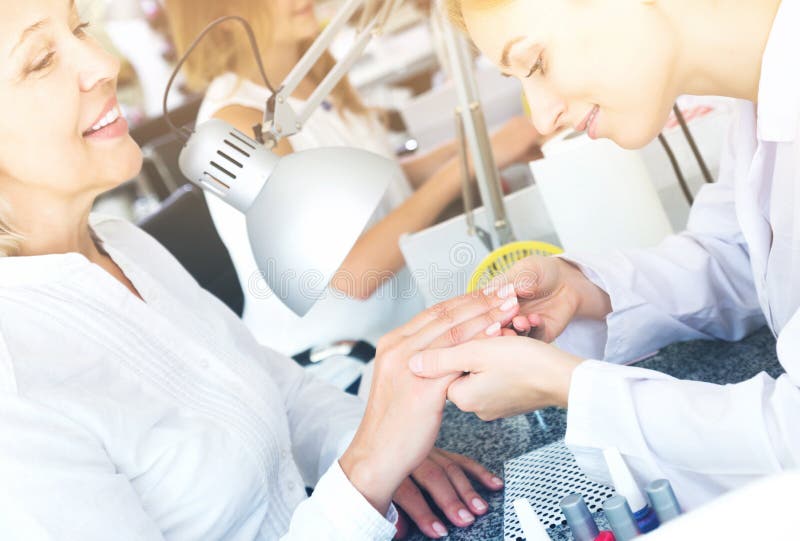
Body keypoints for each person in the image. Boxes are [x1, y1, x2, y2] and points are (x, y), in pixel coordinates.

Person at [0, 1, 523, 539]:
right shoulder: (13, 394)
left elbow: (280, 389)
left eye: (81, 27)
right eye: (41, 60)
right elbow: (348, 271)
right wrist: (364, 471)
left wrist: (370, 446)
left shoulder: (123, 245)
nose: (104, 63)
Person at [409, 0, 800, 512]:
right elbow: (742, 255)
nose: (543, 117)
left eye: (537, 64)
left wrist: (568, 386)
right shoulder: (758, 97)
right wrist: (584, 290)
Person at [163, 0, 543, 355]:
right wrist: (468, 167)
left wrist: (487, 146)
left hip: (411, 320)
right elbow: (355, 275)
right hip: (344, 360)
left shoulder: (310, 74)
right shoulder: (234, 125)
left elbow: (381, 181)